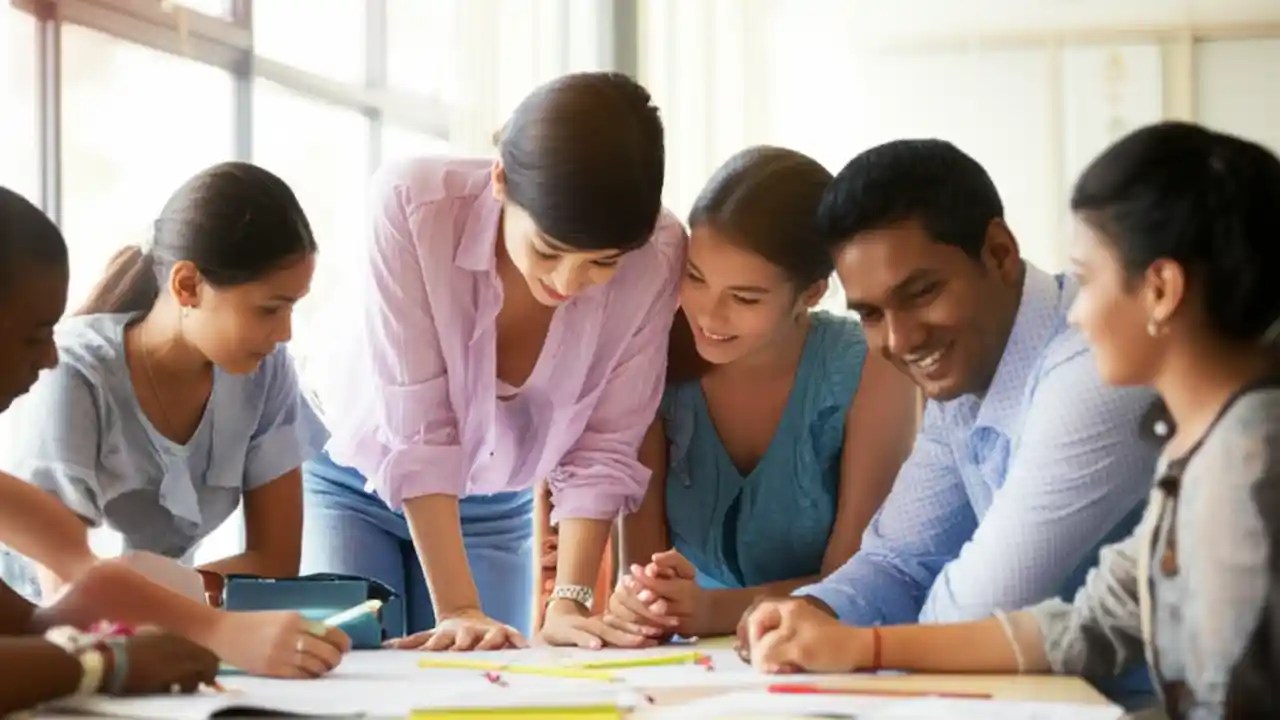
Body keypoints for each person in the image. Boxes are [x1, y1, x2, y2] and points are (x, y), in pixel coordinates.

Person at [742, 122, 1280, 720]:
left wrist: (861, 649)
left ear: (1160, 289)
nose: (1080, 308)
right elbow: (1092, 621)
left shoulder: (1245, 458)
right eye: (870, 313)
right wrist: (834, 629)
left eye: (1093, 278)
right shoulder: (1196, 445)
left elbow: (1227, 698)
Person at [302, 71, 686, 651]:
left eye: (601, 264)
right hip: (352, 477)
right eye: (548, 251)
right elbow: (419, 427)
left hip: (493, 494)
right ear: (501, 180)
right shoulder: (414, 202)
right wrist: (458, 606)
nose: (568, 282)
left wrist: (570, 603)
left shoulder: (656, 254)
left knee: (484, 681)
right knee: (356, 676)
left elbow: (604, 446)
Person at [0, 173, 350, 678]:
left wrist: (205, 629)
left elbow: (72, 571)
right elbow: (62, 598)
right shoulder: (79, 371)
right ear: (187, 286)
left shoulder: (266, 372)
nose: (49, 357)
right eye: (35, 336)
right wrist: (203, 632)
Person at [602, 146, 917, 639]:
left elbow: (857, 580)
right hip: (688, 659)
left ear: (811, 293)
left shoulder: (874, 367)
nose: (708, 315)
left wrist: (713, 613)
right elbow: (639, 568)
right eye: (696, 278)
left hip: (829, 645)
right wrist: (643, 601)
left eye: (745, 298)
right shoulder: (651, 353)